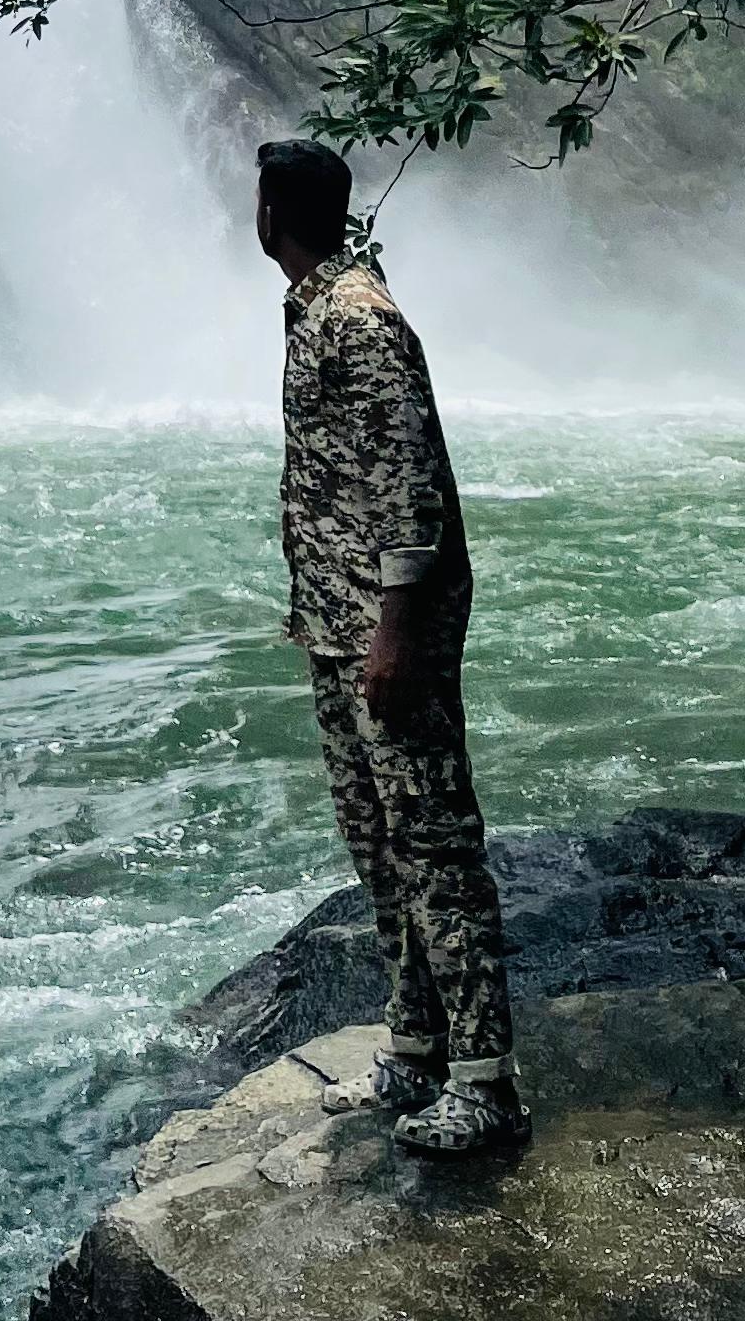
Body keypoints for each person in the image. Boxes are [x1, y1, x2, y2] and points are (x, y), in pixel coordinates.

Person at [256, 134, 527, 1158]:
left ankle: (486, 1082)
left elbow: (411, 481)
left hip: (385, 631)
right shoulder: (313, 310)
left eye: (256, 199)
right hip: (339, 624)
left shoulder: (359, 322)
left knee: (436, 852)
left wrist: (396, 633)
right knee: (380, 851)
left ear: (275, 212)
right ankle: (415, 1049)